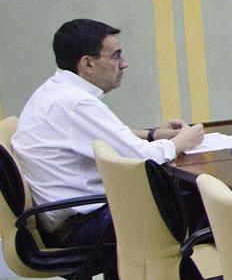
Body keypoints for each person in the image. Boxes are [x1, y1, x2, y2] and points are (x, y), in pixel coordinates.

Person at [12, 19, 206, 249]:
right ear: (88, 64)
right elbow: (143, 160)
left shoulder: (54, 91)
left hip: (65, 218)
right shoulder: (75, 103)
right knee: (197, 198)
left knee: (182, 195)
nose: (124, 64)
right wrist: (183, 140)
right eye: (116, 56)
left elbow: (101, 136)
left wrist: (154, 135)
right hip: (82, 225)